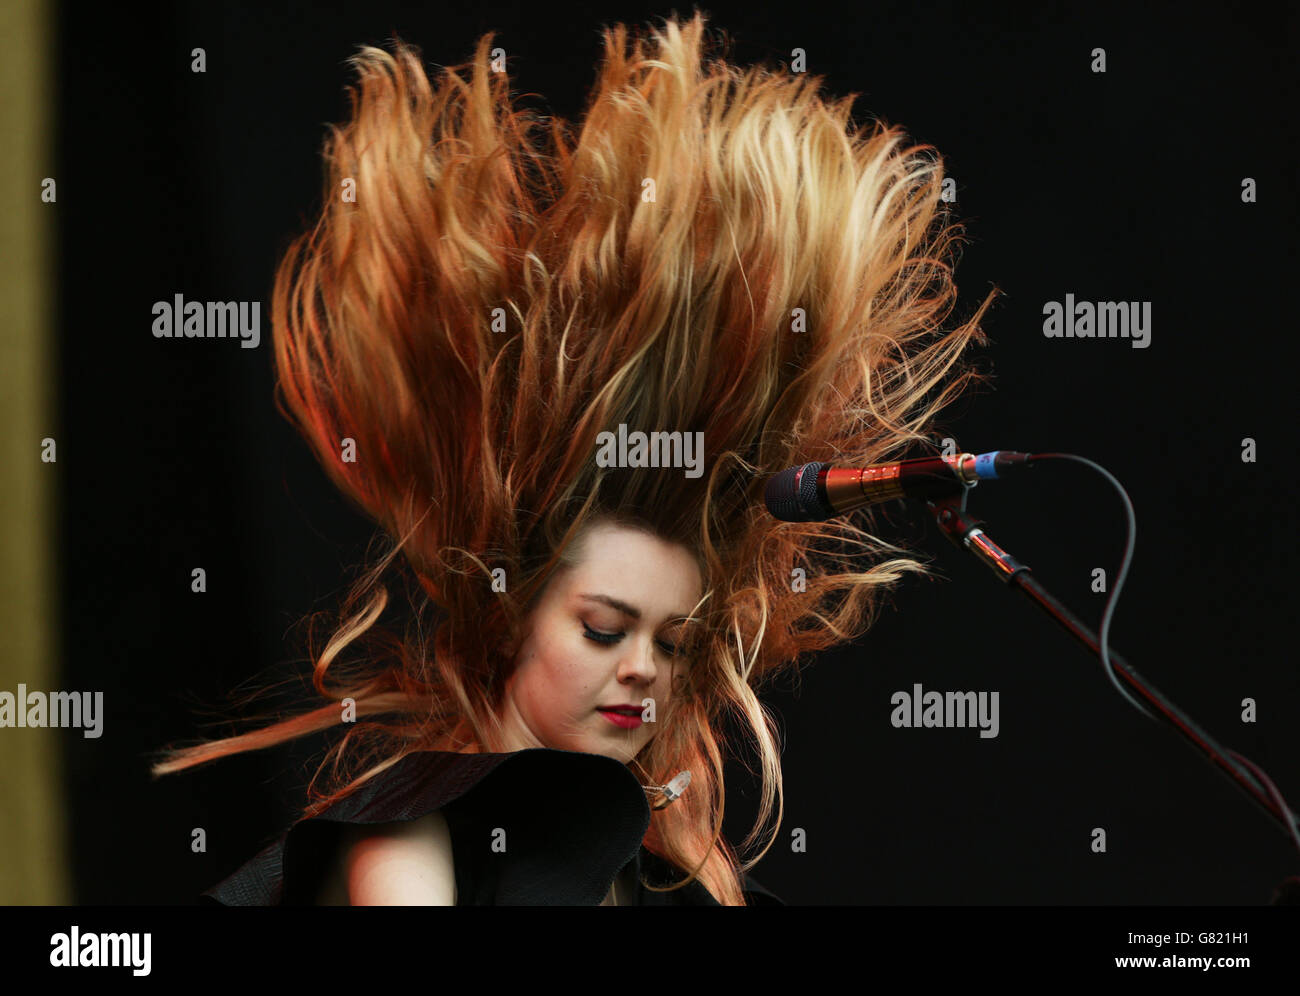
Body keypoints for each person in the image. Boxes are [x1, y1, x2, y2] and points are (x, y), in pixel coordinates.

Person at [149, 11, 996, 906]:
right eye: (603, 628)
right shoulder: (413, 842)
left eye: (671, 644)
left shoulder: (677, 878)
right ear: (510, 619)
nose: (642, 669)